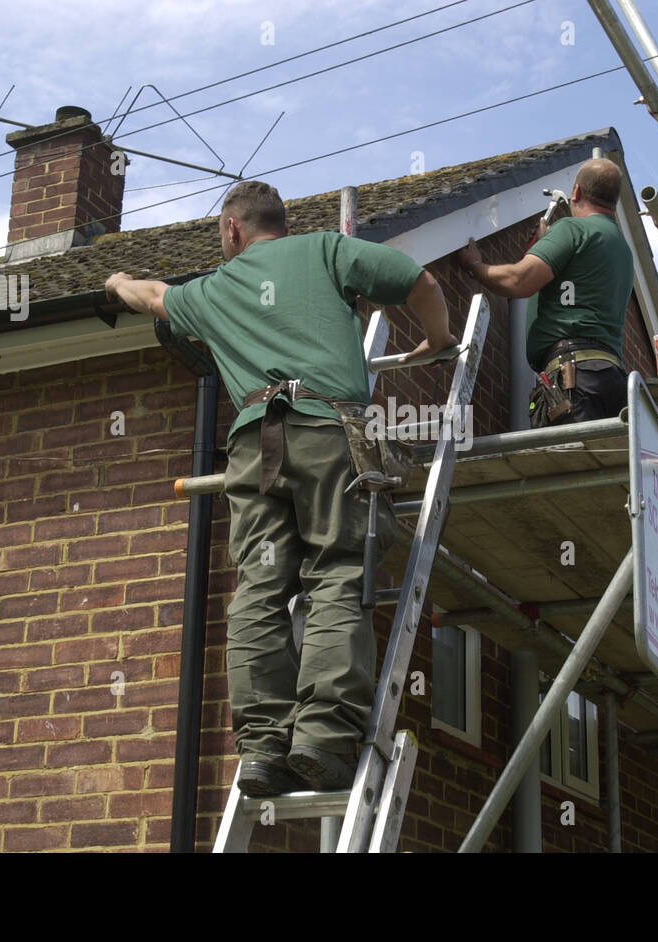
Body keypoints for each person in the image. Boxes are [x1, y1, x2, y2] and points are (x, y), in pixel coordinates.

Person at [104, 180, 456, 797]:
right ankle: (321, 736)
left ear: (232, 230)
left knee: (260, 588)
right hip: (329, 433)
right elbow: (421, 283)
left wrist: (115, 282)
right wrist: (438, 339)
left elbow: (150, 296)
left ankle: (263, 746)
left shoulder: (215, 289)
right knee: (337, 573)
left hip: (252, 449)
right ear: (278, 222)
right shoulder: (328, 250)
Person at [455, 158, 634, 425]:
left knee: (571, 461)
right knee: (602, 463)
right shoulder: (622, 249)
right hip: (611, 379)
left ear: (576, 192)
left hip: (575, 379)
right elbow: (576, 282)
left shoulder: (572, 229)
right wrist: (548, 244)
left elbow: (518, 281)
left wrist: (475, 266)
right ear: (614, 200)